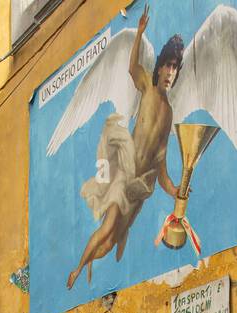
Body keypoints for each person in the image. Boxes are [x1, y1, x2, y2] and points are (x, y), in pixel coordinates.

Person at [68, 6, 183, 289]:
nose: (170, 72)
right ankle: (78, 268)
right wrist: (139, 33)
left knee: (116, 237)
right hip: (126, 172)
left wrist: (175, 190)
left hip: (142, 185)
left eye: (175, 68)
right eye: (168, 65)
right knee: (107, 229)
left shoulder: (169, 113)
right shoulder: (147, 85)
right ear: (160, 67)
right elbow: (132, 68)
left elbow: (162, 164)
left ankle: (94, 259)